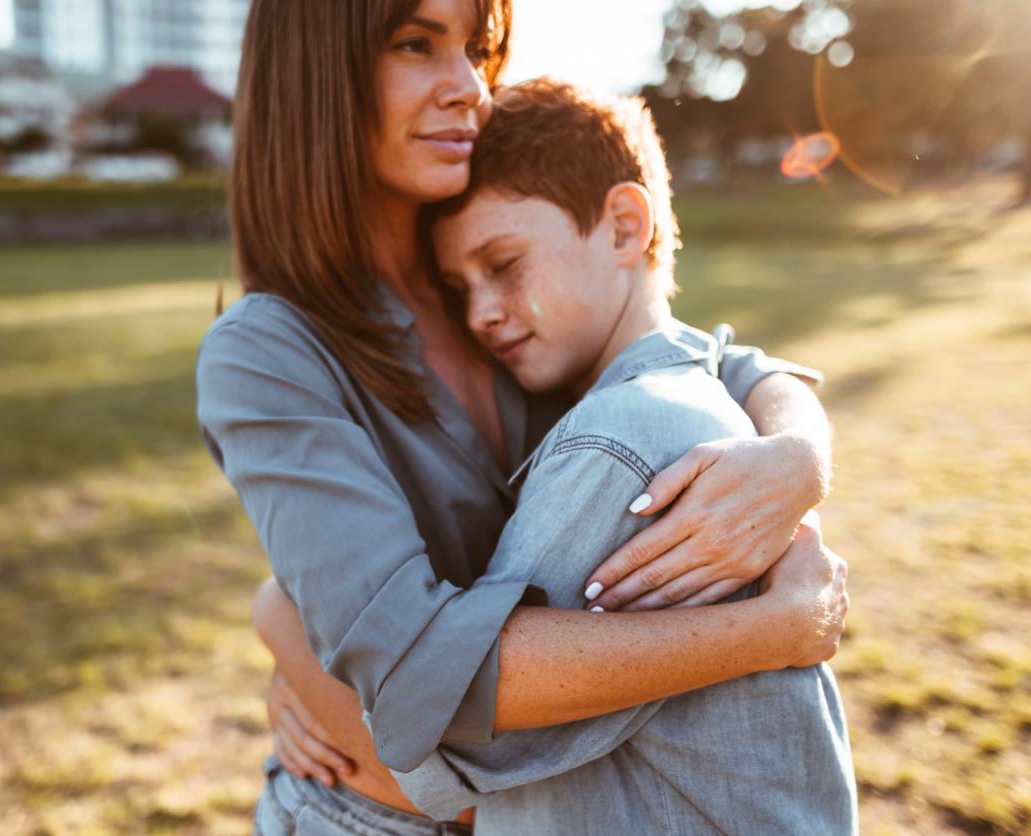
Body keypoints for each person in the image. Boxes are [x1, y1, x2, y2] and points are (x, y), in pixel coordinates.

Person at [195, 0, 847, 832]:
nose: (469, 86)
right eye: (415, 44)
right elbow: (414, 675)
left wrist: (799, 451)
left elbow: (703, 357)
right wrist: (772, 631)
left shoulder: (496, 266)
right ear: (314, 75)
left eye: (477, 47)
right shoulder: (270, 350)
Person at [366, 77, 856, 833]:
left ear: (626, 227)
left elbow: (456, 726)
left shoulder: (618, 445)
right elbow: (730, 355)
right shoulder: (689, 392)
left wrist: (284, 638)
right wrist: (803, 449)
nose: (480, 313)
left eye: (504, 264)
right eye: (459, 288)